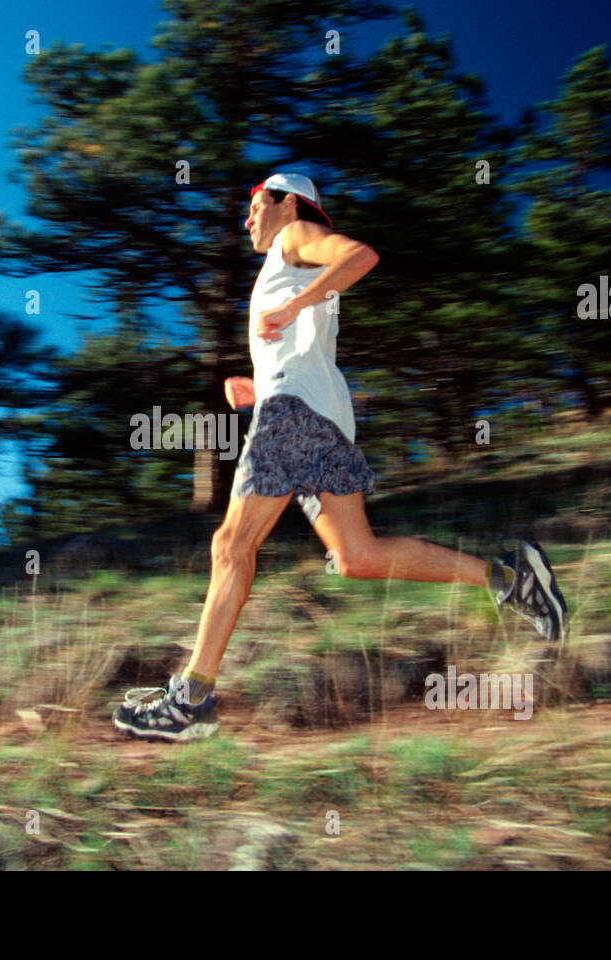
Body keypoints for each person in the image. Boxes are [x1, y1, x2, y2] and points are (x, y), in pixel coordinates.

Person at [113, 173, 568, 742]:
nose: (247, 219)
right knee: (356, 555)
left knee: (232, 544)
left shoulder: (295, 236)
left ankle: (191, 700)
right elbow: (303, 350)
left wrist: (290, 314)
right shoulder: (289, 260)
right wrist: (256, 386)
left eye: (255, 205)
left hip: (295, 417)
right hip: (319, 416)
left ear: (286, 202)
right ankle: (509, 578)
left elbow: (360, 256)